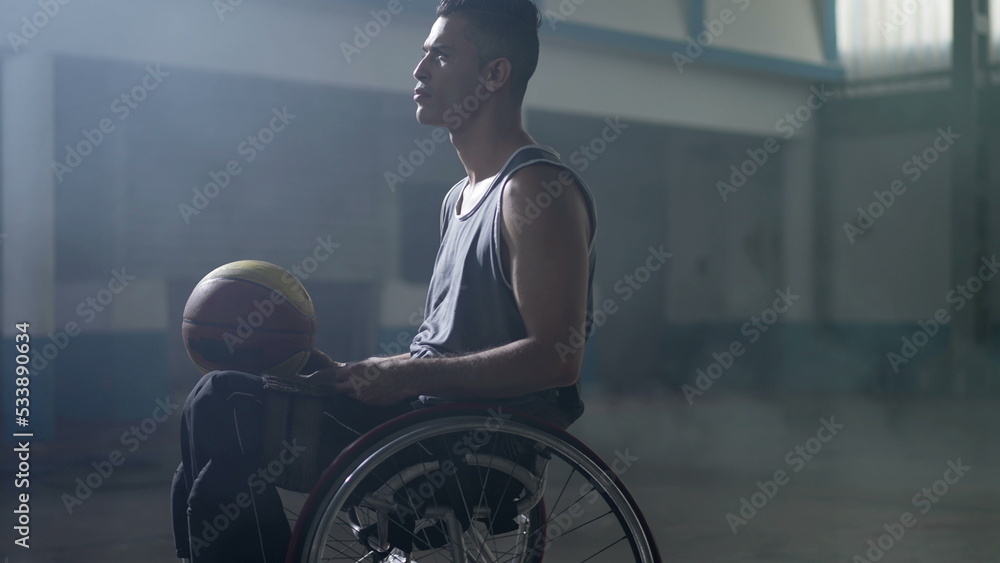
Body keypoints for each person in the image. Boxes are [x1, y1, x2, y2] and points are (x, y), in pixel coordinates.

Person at [171, 0, 598, 560]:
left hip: (473, 450)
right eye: (423, 54)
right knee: (212, 409)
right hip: (423, 422)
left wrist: (403, 379)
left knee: (224, 403)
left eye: (441, 55)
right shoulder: (460, 198)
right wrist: (357, 374)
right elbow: (446, 349)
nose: (419, 71)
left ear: (495, 75)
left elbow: (556, 359)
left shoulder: (534, 192)